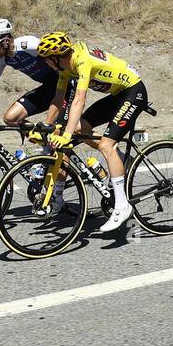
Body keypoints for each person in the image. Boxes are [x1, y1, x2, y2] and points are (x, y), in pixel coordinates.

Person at [35, 31, 147, 234]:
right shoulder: (65, 69)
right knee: (79, 129)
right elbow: (59, 98)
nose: (46, 65)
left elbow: (79, 101)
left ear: (56, 57)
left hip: (133, 91)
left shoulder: (82, 61)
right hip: (118, 94)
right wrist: (48, 126)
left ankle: (122, 206)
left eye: (47, 61)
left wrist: (66, 135)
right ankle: (122, 159)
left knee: (105, 145)